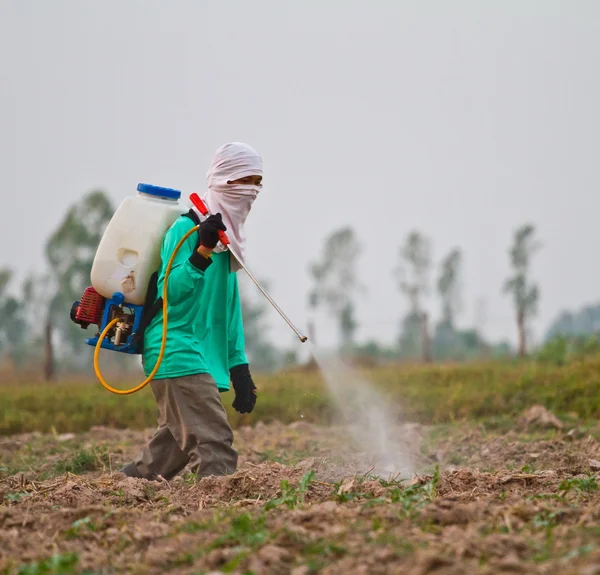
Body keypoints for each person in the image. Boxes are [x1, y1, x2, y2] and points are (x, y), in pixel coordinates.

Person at [121, 142, 262, 480]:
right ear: (222, 180)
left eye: (257, 182)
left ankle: (121, 490)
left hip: (197, 353)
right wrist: (202, 248)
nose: (252, 192)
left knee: (164, 457)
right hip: (174, 349)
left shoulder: (229, 245)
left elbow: (227, 314)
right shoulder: (186, 230)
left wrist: (239, 368)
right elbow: (170, 290)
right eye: (244, 181)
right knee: (214, 442)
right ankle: (217, 520)